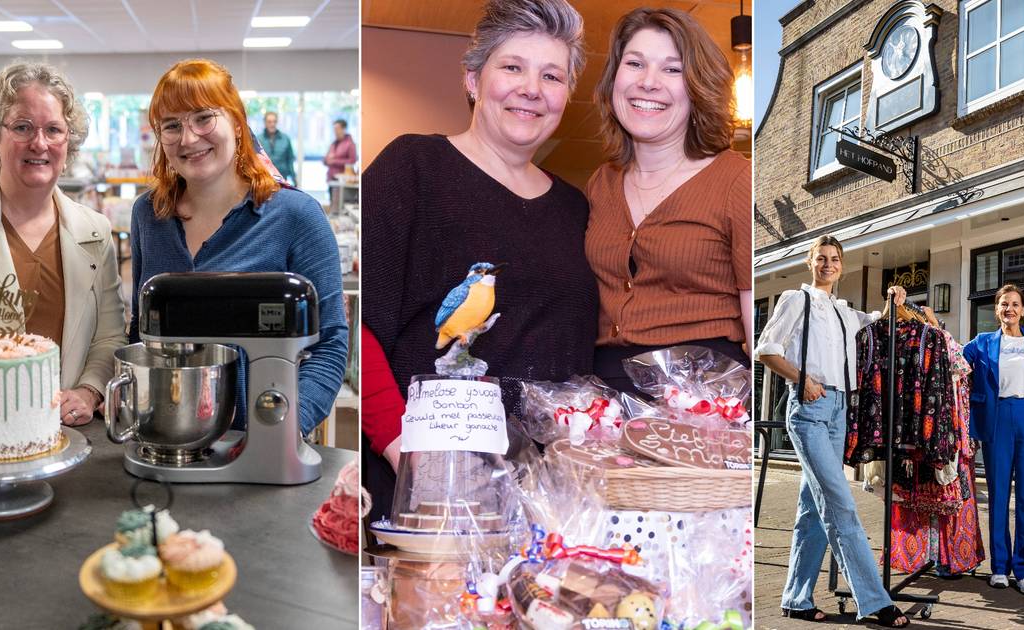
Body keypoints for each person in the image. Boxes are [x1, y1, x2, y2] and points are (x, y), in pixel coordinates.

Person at [361, 0, 595, 521]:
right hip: (434, 474)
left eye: (552, 76)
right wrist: (402, 448)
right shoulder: (413, 167)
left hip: (550, 485)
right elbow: (357, 322)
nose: (531, 88)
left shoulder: (575, 207)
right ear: (472, 80)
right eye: (512, 67)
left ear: (565, 97)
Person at [129, 59, 348, 437]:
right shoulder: (148, 215)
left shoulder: (295, 216)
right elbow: (140, 333)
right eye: (172, 125)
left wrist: (280, 431)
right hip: (168, 439)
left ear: (236, 121)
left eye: (203, 118)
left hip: (265, 446)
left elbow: (329, 346)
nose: (188, 138)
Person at [0, 61, 126, 427]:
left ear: (68, 143)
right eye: (23, 127)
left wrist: (90, 391)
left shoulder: (95, 231)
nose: (39, 143)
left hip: (66, 432)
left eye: (54, 129)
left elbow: (109, 337)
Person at [585, 7, 750, 394]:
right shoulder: (600, 184)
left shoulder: (737, 180)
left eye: (672, 69)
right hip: (604, 398)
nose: (649, 82)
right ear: (614, 78)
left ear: (697, 87)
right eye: (635, 63)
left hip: (704, 400)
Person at [754, 235, 910, 627]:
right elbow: (765, 349)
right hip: (808, 408)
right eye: (821, 258)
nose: (828, 264)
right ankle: (874, 600)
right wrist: (801, 377)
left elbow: (879, 320)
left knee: (812, 509)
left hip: (841, 410)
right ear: (810, 262)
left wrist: (896, 299)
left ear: (842, 265)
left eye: (835, 258)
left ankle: (795, 598)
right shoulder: (796, 299)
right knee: (840, 504)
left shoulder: (844, 312)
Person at [963, 284, 1024, 596]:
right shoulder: (982, 343)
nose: (1010, 309)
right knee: (998, 495)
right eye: (1004, 304)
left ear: (1023, 310)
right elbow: (953, 360)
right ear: (997, 310)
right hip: (998, 418)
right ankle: (999, 567)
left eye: (1015, 304)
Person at [260, 111, 297, 185]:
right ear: (265, 123)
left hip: (282, 180)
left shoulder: (285, 139)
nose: (272, 124)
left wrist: (294, 178)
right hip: (264, 181)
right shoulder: (258, 140)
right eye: (269, 122)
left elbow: (290, 160)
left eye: (274, 121)